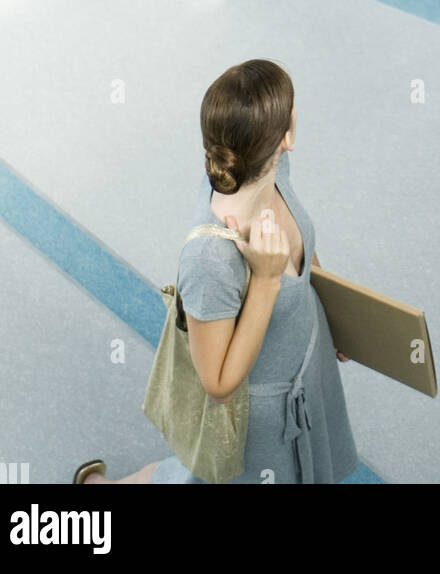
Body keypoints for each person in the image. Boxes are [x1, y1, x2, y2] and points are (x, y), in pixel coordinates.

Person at [74, 59, 359, 484]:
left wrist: (338, 317)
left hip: (305, 367)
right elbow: (219, 384)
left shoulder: (273, 168)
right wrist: (264, 280)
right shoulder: (210, 258)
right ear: (288, 133)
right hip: (261, 420)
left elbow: (301, 245)